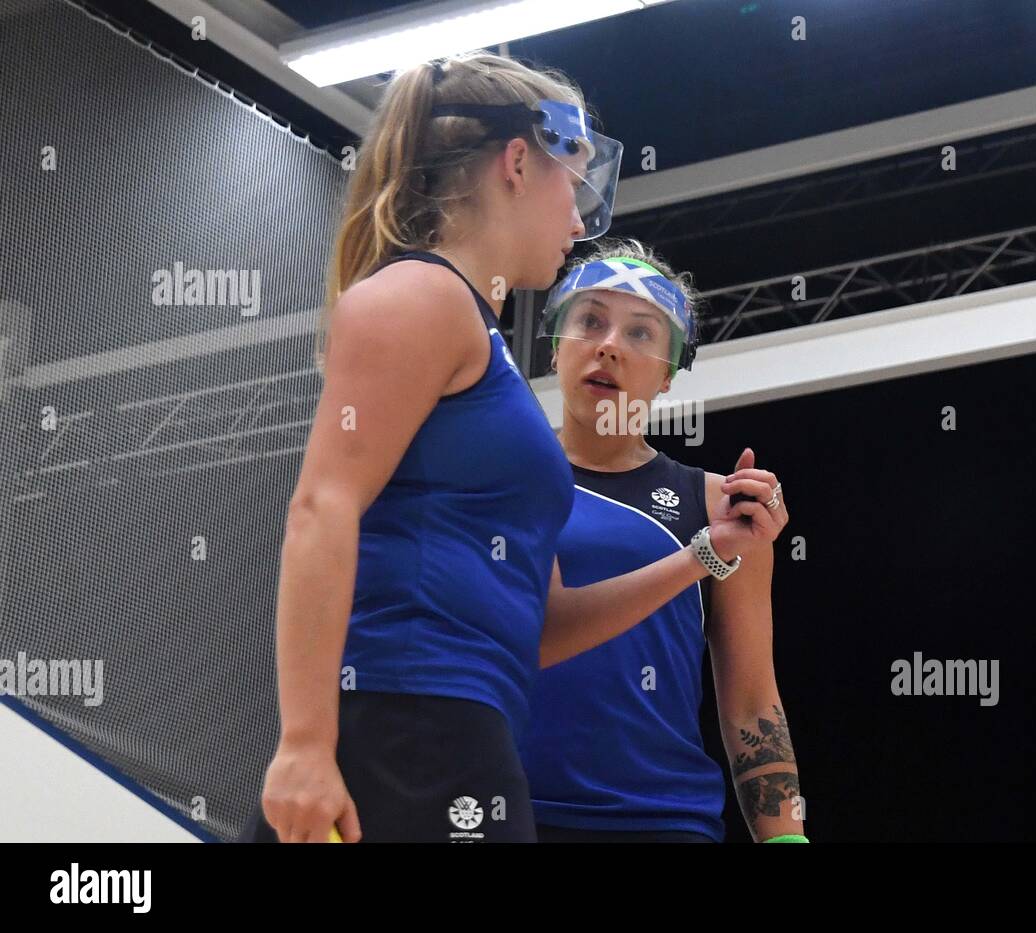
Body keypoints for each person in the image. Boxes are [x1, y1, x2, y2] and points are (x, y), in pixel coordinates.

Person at [242, 53, 784, 843]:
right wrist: (304, 744)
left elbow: (543, 625)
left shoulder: (479, 345)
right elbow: (321, 506)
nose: (578, 219)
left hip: (469, 741)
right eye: (576, 186)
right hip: (403, 728)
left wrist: (705, 553)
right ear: (519, 163)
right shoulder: (423, 294)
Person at [520, 238, 805, 843]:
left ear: (671, 373)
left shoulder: (719, 504)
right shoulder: (502, 479)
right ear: (554, 348)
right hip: (507, 811)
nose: (609, 345)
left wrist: (786, 839)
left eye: (641, 333)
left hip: (662, 821)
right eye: (590, 321)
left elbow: (752, 699)